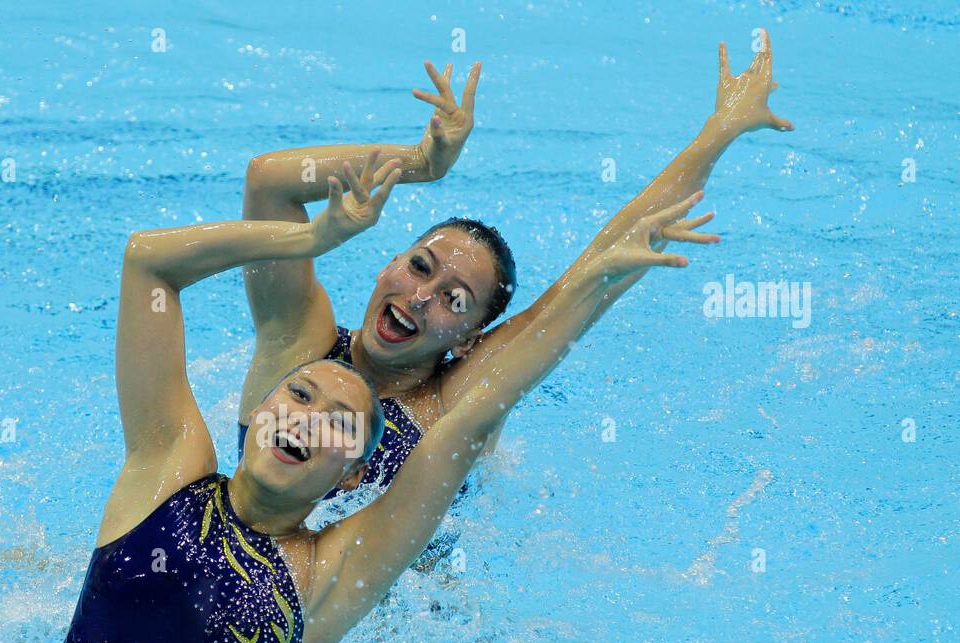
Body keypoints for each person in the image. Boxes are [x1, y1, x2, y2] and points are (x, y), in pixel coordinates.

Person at [44, 151, 719, 643]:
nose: (304, 418)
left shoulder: (328, 575)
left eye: (335, 423)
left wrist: (606, 273)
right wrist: (330, 225)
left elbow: (489, 402)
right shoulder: (172, 472)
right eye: (298, 395)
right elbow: (154, 259)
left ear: (353, 476)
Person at [237, 31, 793, 499]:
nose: (422, 297)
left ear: (470, 340)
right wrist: (422, 163)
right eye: (421, 266)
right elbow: (268, 183)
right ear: (388, 263)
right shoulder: (298, 345)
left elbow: (603, 271)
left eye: (456, 301)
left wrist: (720, 130)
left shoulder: (452, 409)